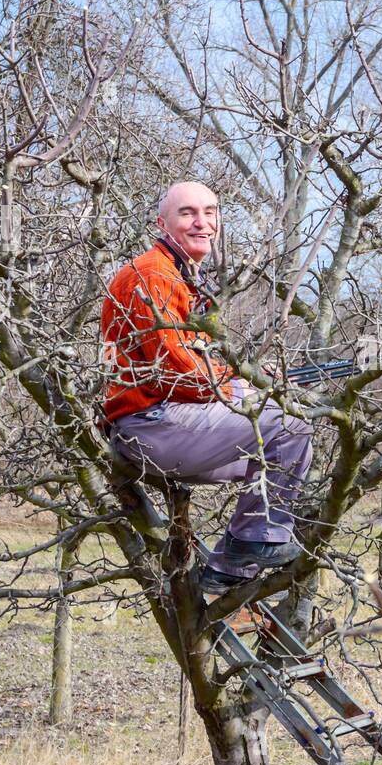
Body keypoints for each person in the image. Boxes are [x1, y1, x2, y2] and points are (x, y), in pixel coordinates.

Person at [100, 181, 313, 591]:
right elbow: (178, 371)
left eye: (210, 212)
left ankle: (227, 571)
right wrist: (243, 385)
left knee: (277, 455)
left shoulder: (178, 275)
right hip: (149, 425)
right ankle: (254, 542)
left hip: (162, 422)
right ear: (162, 223)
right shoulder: (153, 275)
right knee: (288, 424)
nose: (203, 222)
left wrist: (248, 377)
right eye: (188, 213)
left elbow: (190, 361)